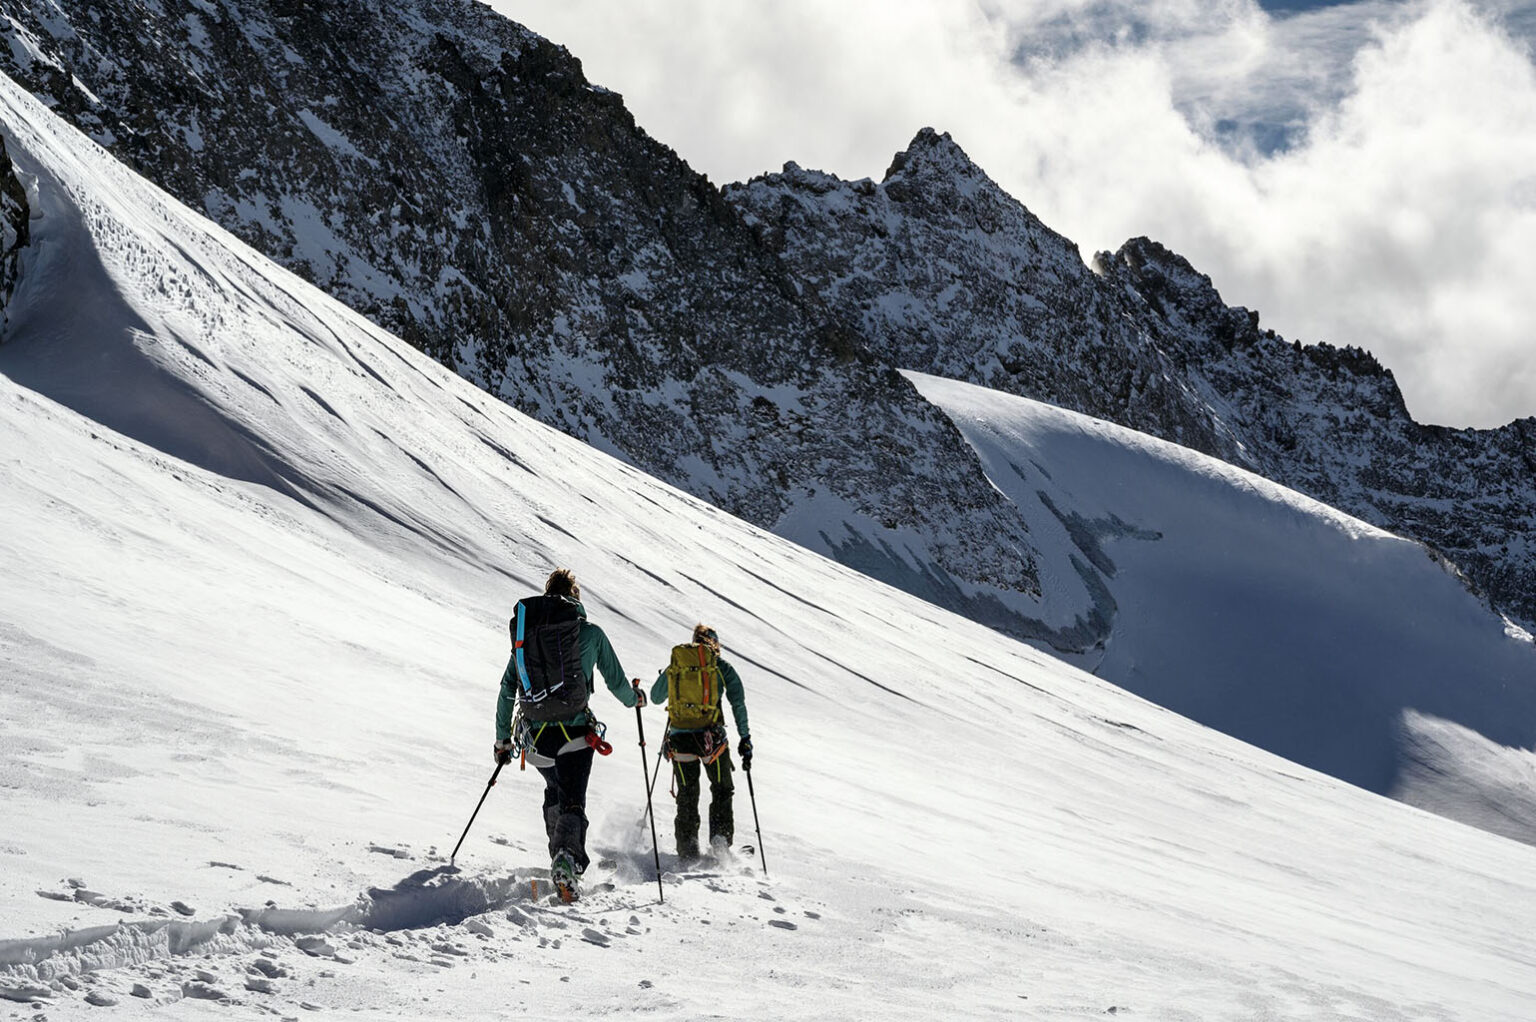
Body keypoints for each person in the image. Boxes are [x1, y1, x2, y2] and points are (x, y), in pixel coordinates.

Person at [493, 568, 645, 901]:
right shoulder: (589, 633)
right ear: (574, 597)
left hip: (534, 739)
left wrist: (502, 740)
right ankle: (567, 860)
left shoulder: (526, 638)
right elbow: (618, 685)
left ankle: (559, 859)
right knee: (573, 799)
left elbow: (508, 687)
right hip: (575, 735)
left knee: (555, 791)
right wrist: (636, 699)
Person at [650, 623, 751, 861]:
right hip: (712, 742)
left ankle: (687, 849)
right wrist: (745, 738)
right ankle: (720, 843)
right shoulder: (720, 666)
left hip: (680, 739)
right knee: (722, 789)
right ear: (715, 644)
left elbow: (655, 697)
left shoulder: (677, 665)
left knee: (687, 792)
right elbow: (738, 702)